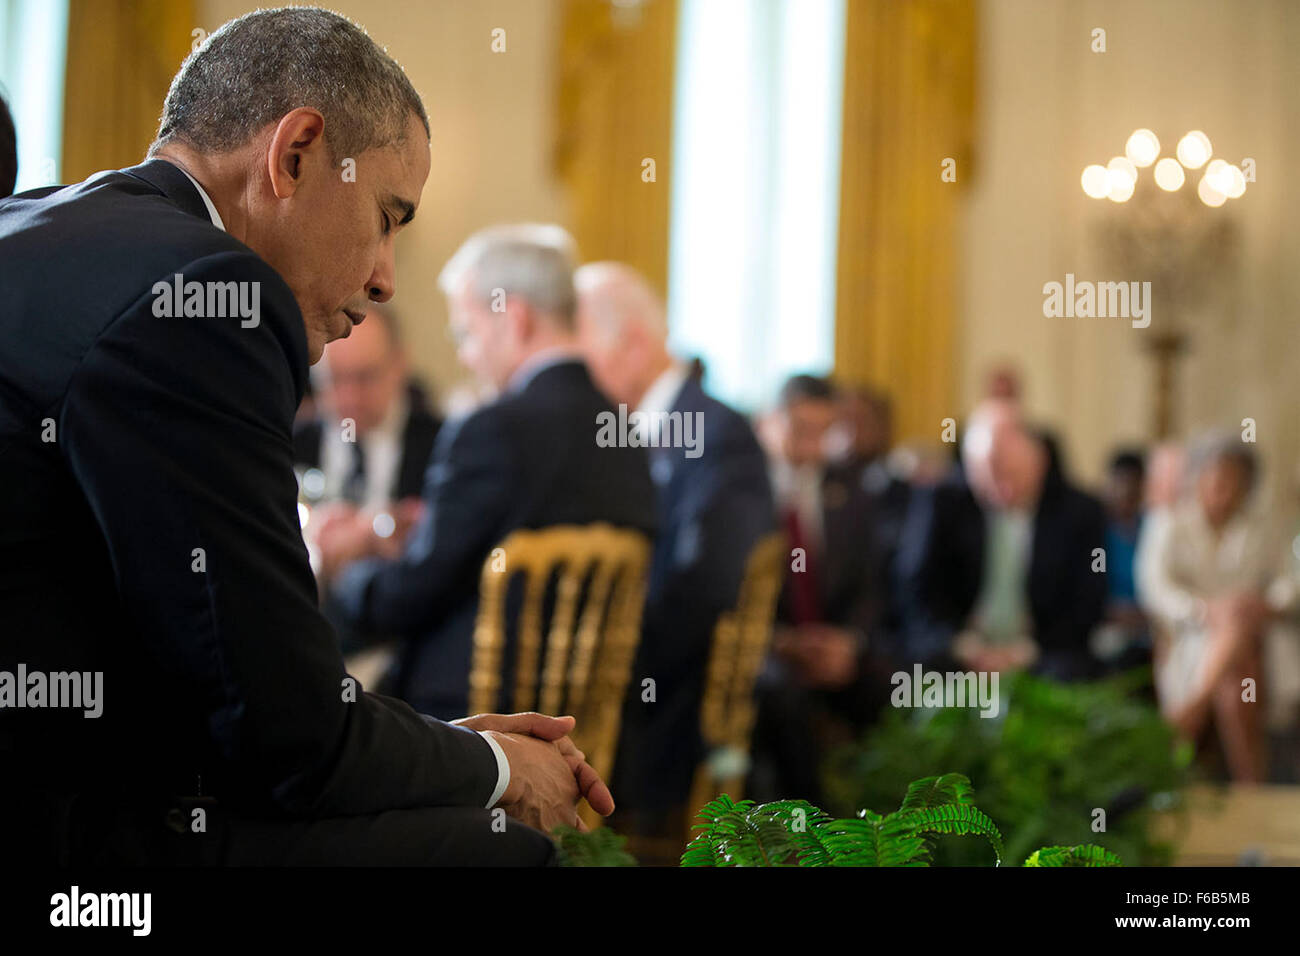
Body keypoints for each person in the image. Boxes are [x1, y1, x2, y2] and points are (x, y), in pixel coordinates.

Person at [0, 8, 609, 865]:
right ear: (295, 155)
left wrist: (423, 747)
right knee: (500, 847)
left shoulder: (33, 223)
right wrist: (496, 763)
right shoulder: (210, 295)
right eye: (389, 216)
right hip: (70, 836)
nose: (386, 278)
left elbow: (231, 686)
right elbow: (285, 738)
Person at [325, 227, 657, 721]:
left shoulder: (493, 429)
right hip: (589, 722)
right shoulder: (625, 433)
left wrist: (345, 572)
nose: (464, 355)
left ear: (515, 319)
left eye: (466, 333)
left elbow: (412, 596)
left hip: (471, 718)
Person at [573, 261, 775, 834]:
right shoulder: (625, 431)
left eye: (580, 345)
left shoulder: (717, 434)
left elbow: (705, 589)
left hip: (663, 714)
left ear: (633, 344)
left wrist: (605, 659)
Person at [896, 397, 1108, 680]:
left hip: (1044, 651)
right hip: (959, 649)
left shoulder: (1082, 512)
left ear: (1039, 459)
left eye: (1009, 472)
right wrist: (961, 646)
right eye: (985, 475)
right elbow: (914, 585)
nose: (999, 488)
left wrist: (1025, 653)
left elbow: (1088, 599)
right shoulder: (943, 502)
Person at [1137, 433, 1300, 781]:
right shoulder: (1170, 522)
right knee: (1237, 676)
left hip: (1255, 633)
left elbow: (1289, 581)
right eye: (1215, 476)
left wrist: (1263, 604)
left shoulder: (1264, 527)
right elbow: (1156, 588)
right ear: (1198, 478)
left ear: (1246, 485)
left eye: (1232, 479)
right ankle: (1250, 782)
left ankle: (1189, 714)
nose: (1222, 487)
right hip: (1192, 635)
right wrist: (1203, 610)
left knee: (1238, 624)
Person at [1093, 449, 1152, 670]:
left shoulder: (1152, 528)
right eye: (1119, 484)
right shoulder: (1096, 531)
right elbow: (1091, 583)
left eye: (1133, 485)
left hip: (1149, 625)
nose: (1125, 493)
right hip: (1106, 624)